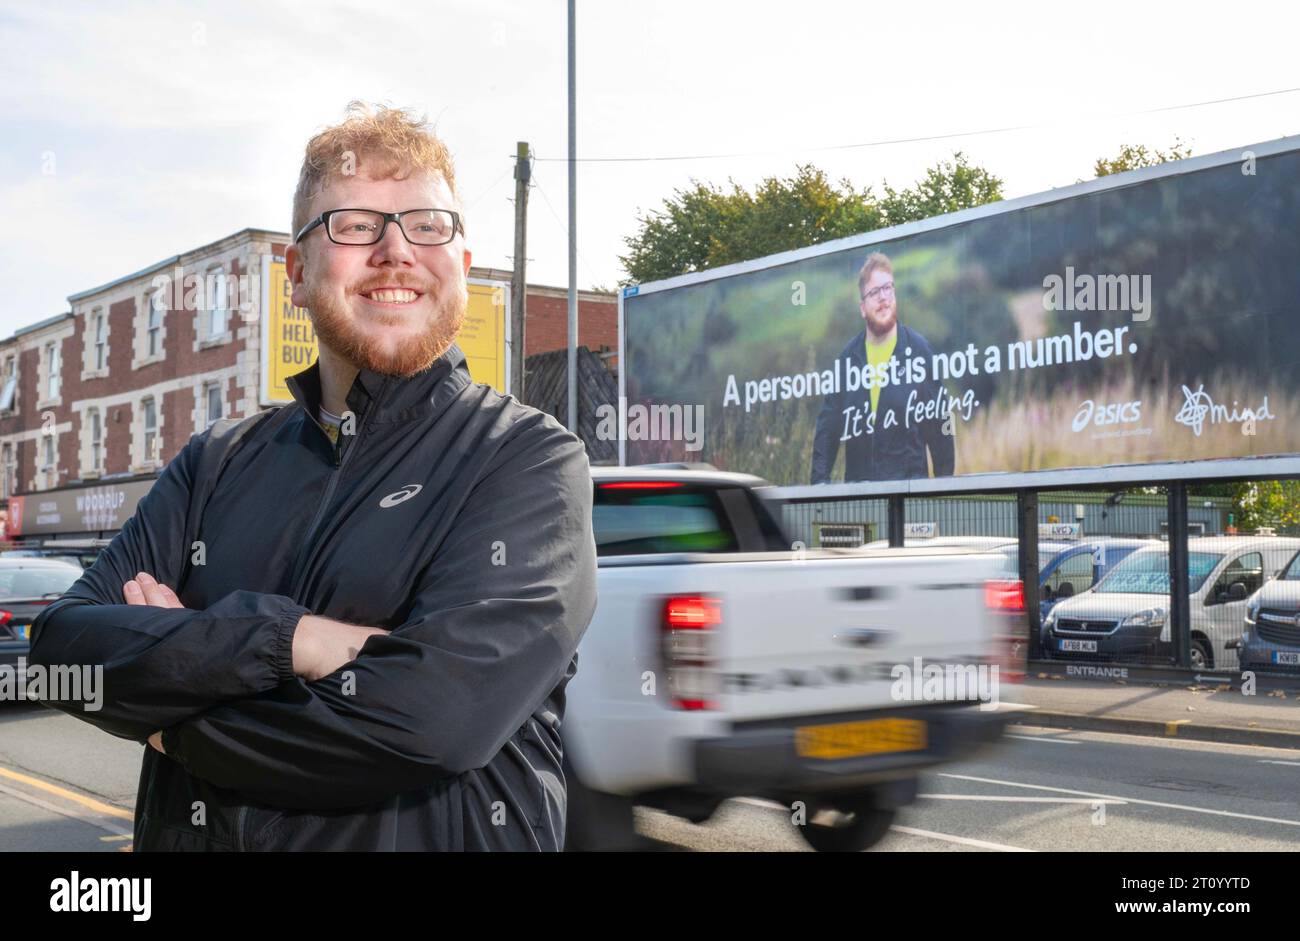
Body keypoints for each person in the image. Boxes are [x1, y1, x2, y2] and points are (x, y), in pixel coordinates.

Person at [28, 102, 598, 851]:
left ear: (460, 263)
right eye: (355, 225)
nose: (396, 250)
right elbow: (62, 651)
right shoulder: (216, 460)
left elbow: (427, 722)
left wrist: (171, 714)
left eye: (428, 224)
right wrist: (289, 638)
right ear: (296, 273)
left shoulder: (525, 459)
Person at [810, 252, 955, 483]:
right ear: (862, 307)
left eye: (888, 288)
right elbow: (827, 430)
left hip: (911, 499)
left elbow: (941, 428)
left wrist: (943, 491)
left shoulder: (919, 351)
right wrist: (819, 484)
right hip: (860, 501)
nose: (883, 297)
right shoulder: (847, 360)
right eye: (874, 292)